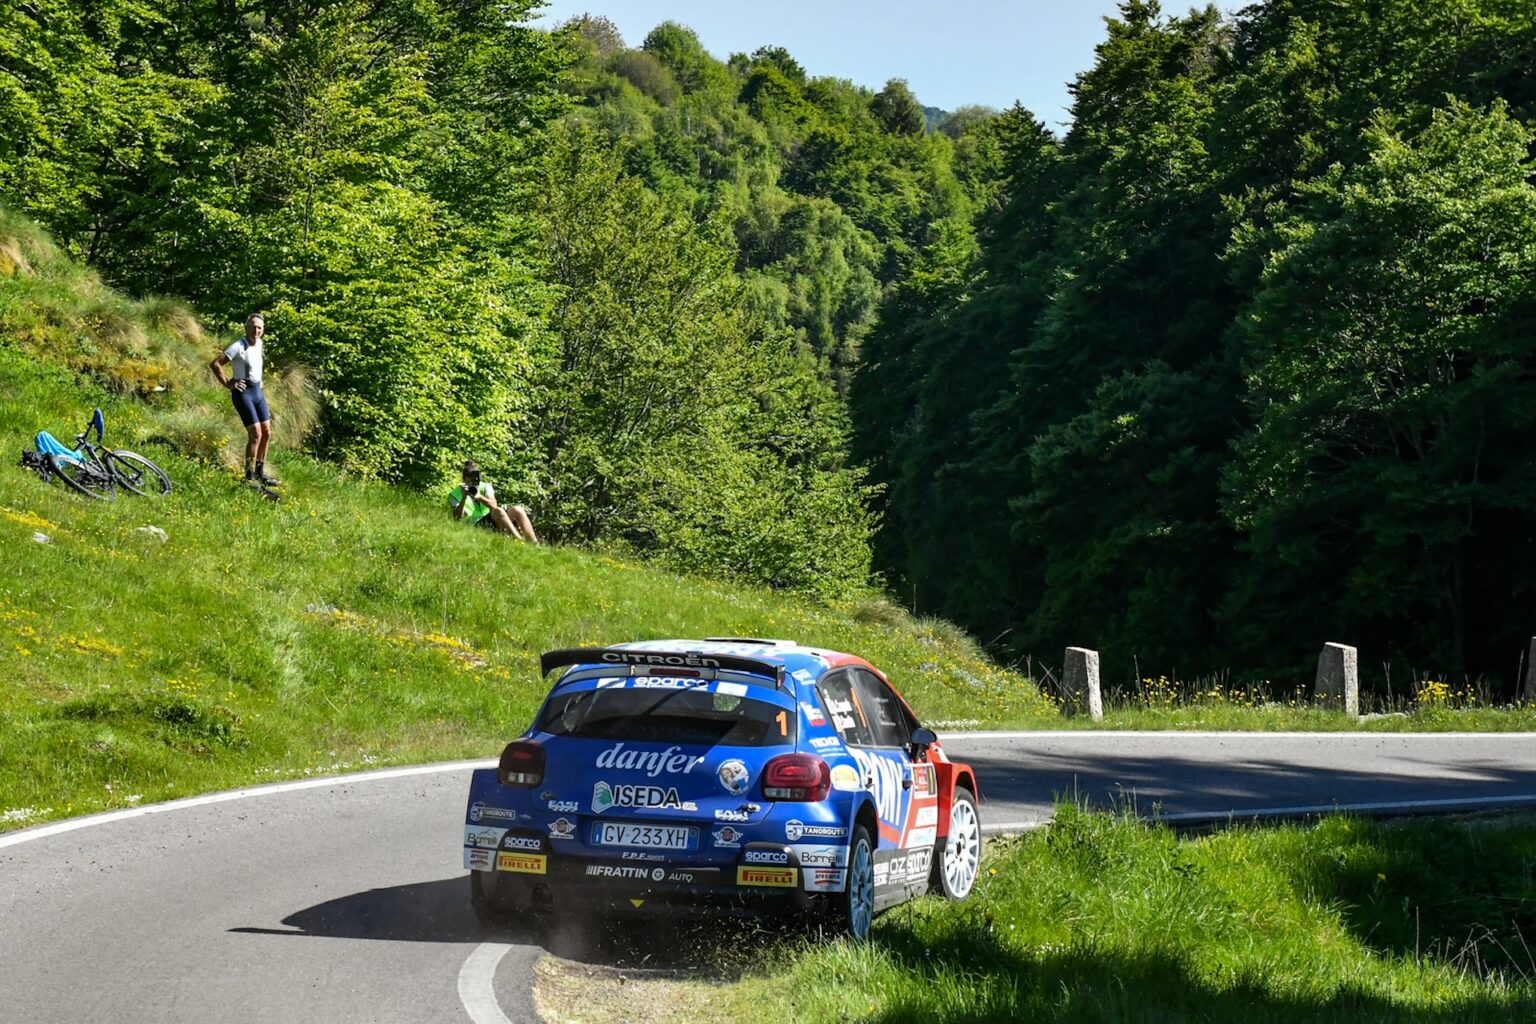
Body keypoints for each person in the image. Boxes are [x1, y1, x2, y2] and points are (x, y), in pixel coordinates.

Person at [210, 313, 279, 486]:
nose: (256, 331)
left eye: (259, 328)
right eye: (253, 327)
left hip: (257, 391)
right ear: (246, 327)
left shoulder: (260, 343)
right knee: (255, 434)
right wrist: (227, 383)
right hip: (243, 393)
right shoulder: (238, 346)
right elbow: (216, 364)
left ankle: (260, 473)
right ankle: (248, 477)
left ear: (263, 330)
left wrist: (259, 379)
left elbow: (255, 363)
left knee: (267, 433)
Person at [450, 460, 539, 543]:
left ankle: (533, 542)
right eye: (472, 481)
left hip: (490, 520)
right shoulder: (455, 494)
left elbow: (494, 505)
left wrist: (480, 497)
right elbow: (457, 519)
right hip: (473, 526)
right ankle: (519, 541)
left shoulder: (485, 487)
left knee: (517, 510)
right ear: (465, 479)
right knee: (499, 511)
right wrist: (464, 498)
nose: (475, 484)